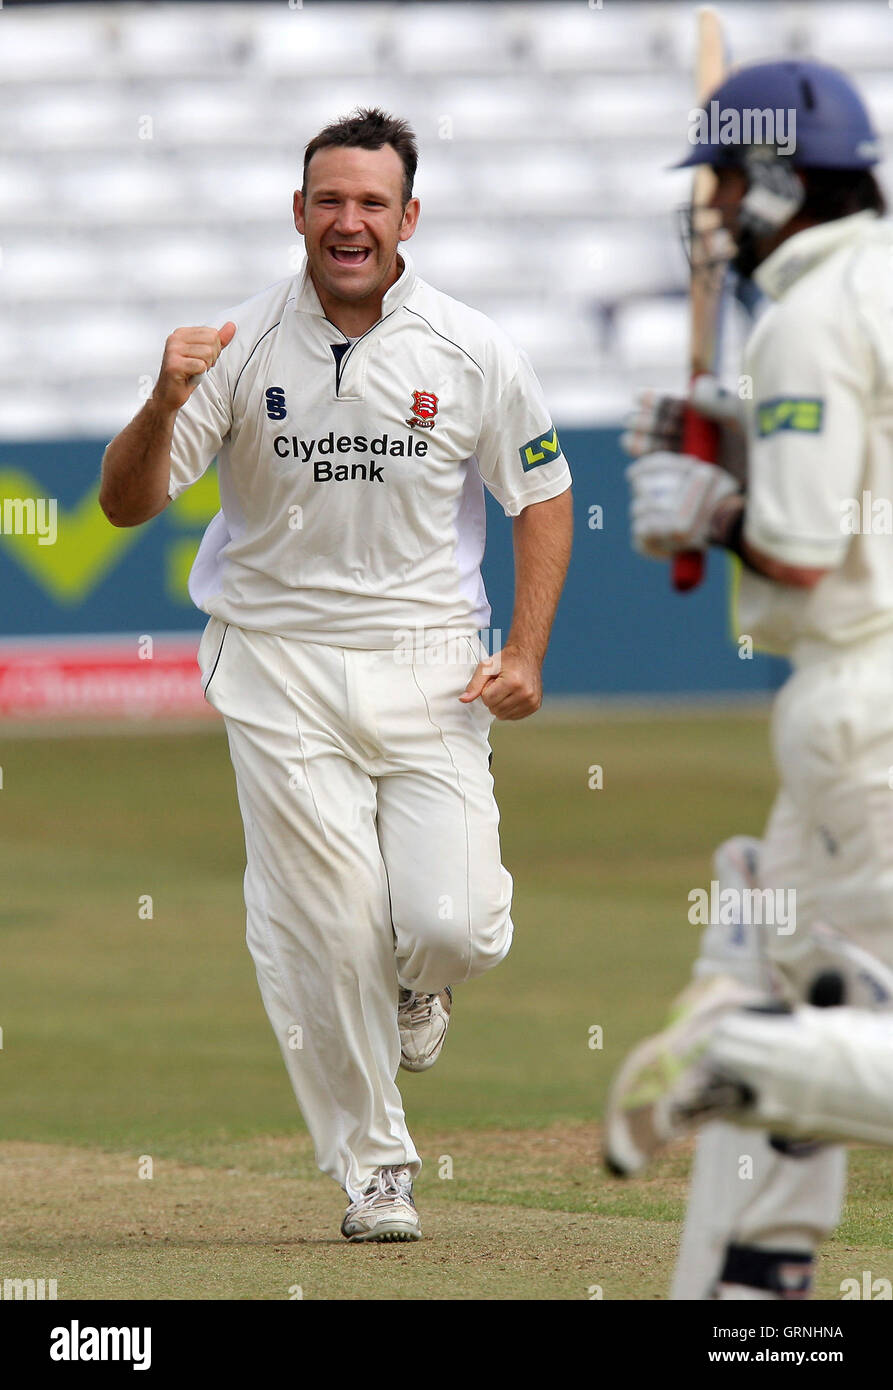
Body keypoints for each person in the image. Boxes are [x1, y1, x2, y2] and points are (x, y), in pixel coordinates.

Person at [99, 107, 573, 1243]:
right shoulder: (239, 345)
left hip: (429, 664)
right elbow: (126, 502)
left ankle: (426, 977)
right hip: (276, 663)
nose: (347, 221)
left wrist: (525, 653)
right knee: (331, 925)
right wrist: (164, 399)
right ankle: (376, 1171)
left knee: (450, 924)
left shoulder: (469, 348)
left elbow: (543, 494)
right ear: (297, 212)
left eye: (371, 202)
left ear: (408, 216)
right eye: (328, 200)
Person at [606, 60, 893, 1299]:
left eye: (725, 176)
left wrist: (709, 509)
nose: (712, 206)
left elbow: (800, 542)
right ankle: (739, 1297)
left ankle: (754, 1056)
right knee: (768, 953)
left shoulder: (809, 316)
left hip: (860, 701)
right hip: (856, 704)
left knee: (823, 1022)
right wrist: (728, 438)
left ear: (778, 177)